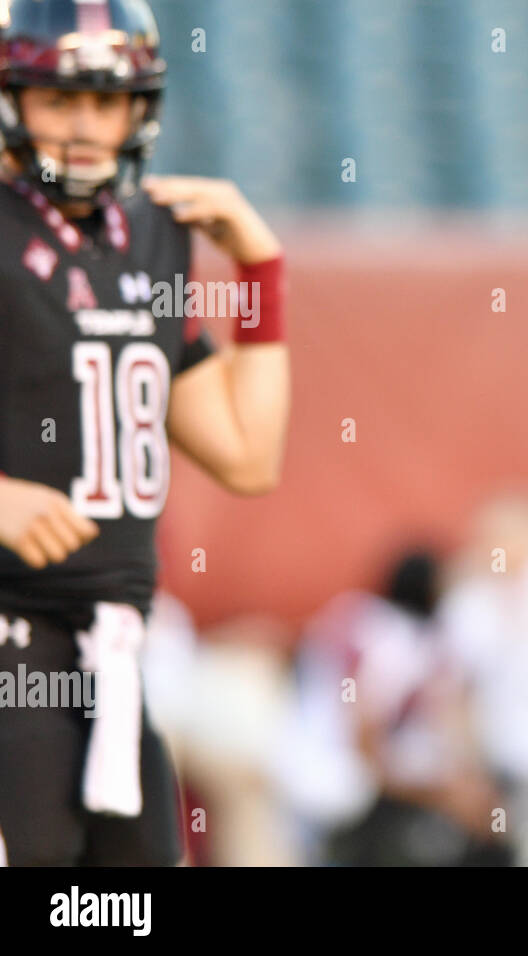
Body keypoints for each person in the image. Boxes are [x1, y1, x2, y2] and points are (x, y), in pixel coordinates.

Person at [0, 0, 288, 866]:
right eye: (60, 99)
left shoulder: (149, 241)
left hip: (114, 651)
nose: (86, 126)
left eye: (106, 100)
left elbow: (248, 456)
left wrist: (261, 274)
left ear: (141, 107)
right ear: (16, 99)